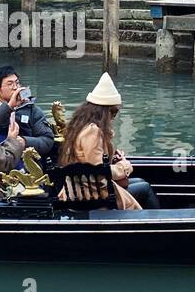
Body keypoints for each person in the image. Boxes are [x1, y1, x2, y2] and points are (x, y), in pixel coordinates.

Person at [57, 74, 158, 211]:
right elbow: (98, 171)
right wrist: (124, 166)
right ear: (104, 112)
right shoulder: (92, 132)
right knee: (144, 188)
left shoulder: (79, 126)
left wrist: (113, 159)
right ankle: (155, 226)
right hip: (91, 195)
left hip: (82, 188)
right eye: (114, 113)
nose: (114, 118)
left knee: (140, 182)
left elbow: (93, 163)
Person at [0, 65, 57, 162]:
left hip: (26, 163)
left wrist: (25, 141)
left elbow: (47, 140)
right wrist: (9, 107)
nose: (15, 87)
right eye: (10, 84)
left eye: (17, 83)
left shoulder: (31, 109)